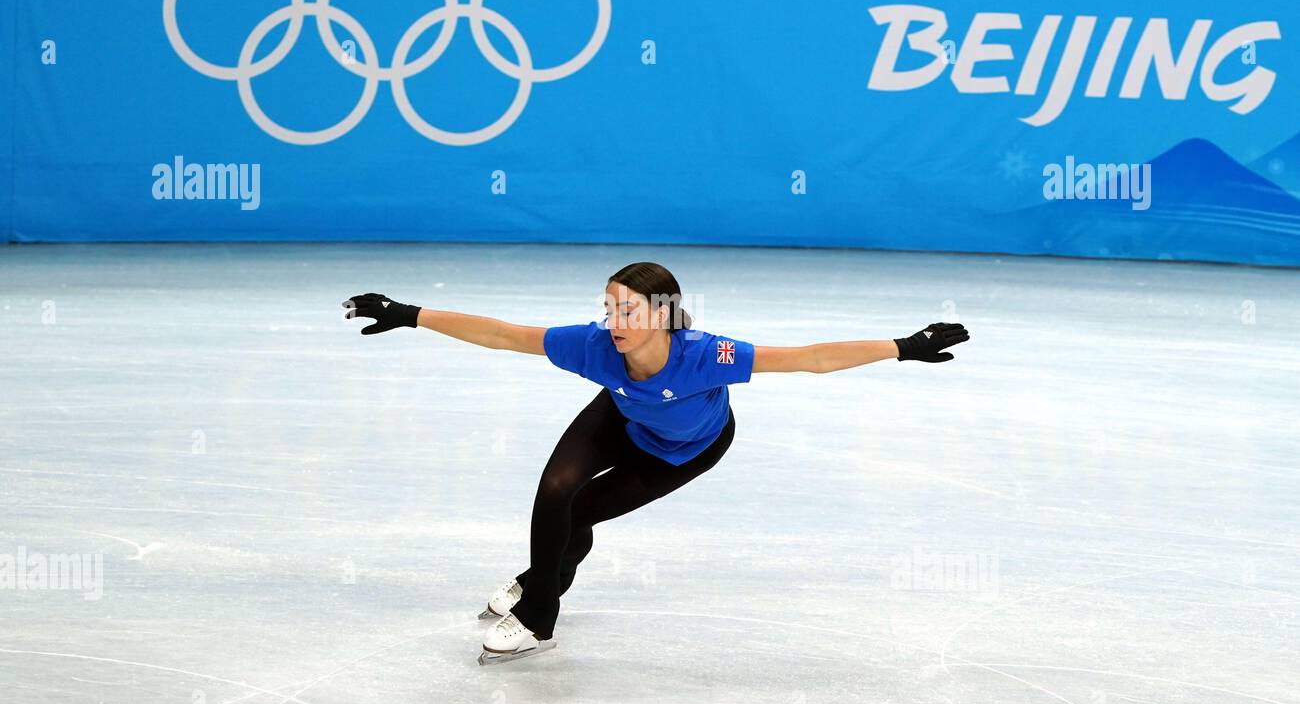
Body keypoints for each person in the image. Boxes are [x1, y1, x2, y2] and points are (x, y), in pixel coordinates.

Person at [344, 262, 969, 664]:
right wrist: (407, 314)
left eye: (630, 312)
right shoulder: (593, 347)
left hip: (686, 449)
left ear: (663, 315)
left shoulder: (708, 356)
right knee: (555, 489)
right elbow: (504, 333)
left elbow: (808, 358)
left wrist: (904, 347)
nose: (614, 322)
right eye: (609, 308)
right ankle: (539, 611)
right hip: (622, 418)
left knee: (582, 511)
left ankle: (537, 583)